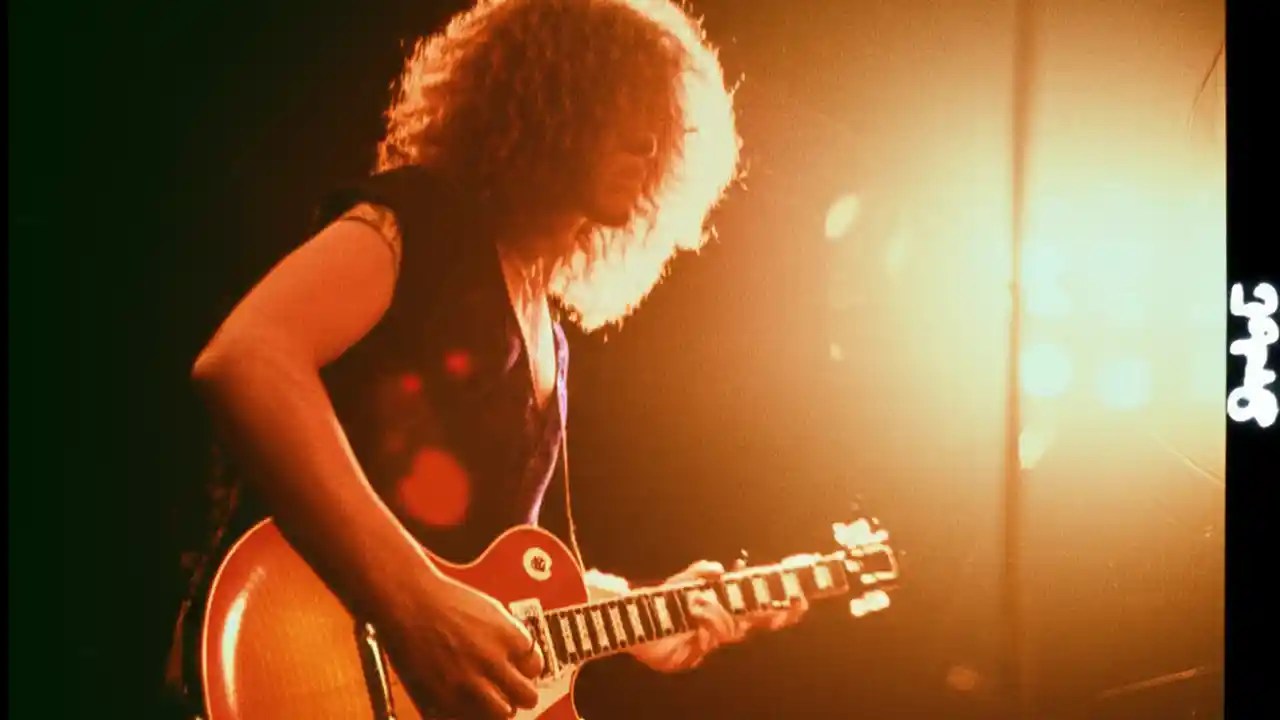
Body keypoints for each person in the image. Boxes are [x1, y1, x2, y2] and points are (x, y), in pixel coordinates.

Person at [167, 0, 806, 717]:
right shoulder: (423, 223)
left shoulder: (551, 338)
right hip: (293, 653)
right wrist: (415, 605)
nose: (650, 143)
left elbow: (501, 570)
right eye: (622, 106)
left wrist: (640, 615)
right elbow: (246, 357)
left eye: (662, 123)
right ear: (547, 99)